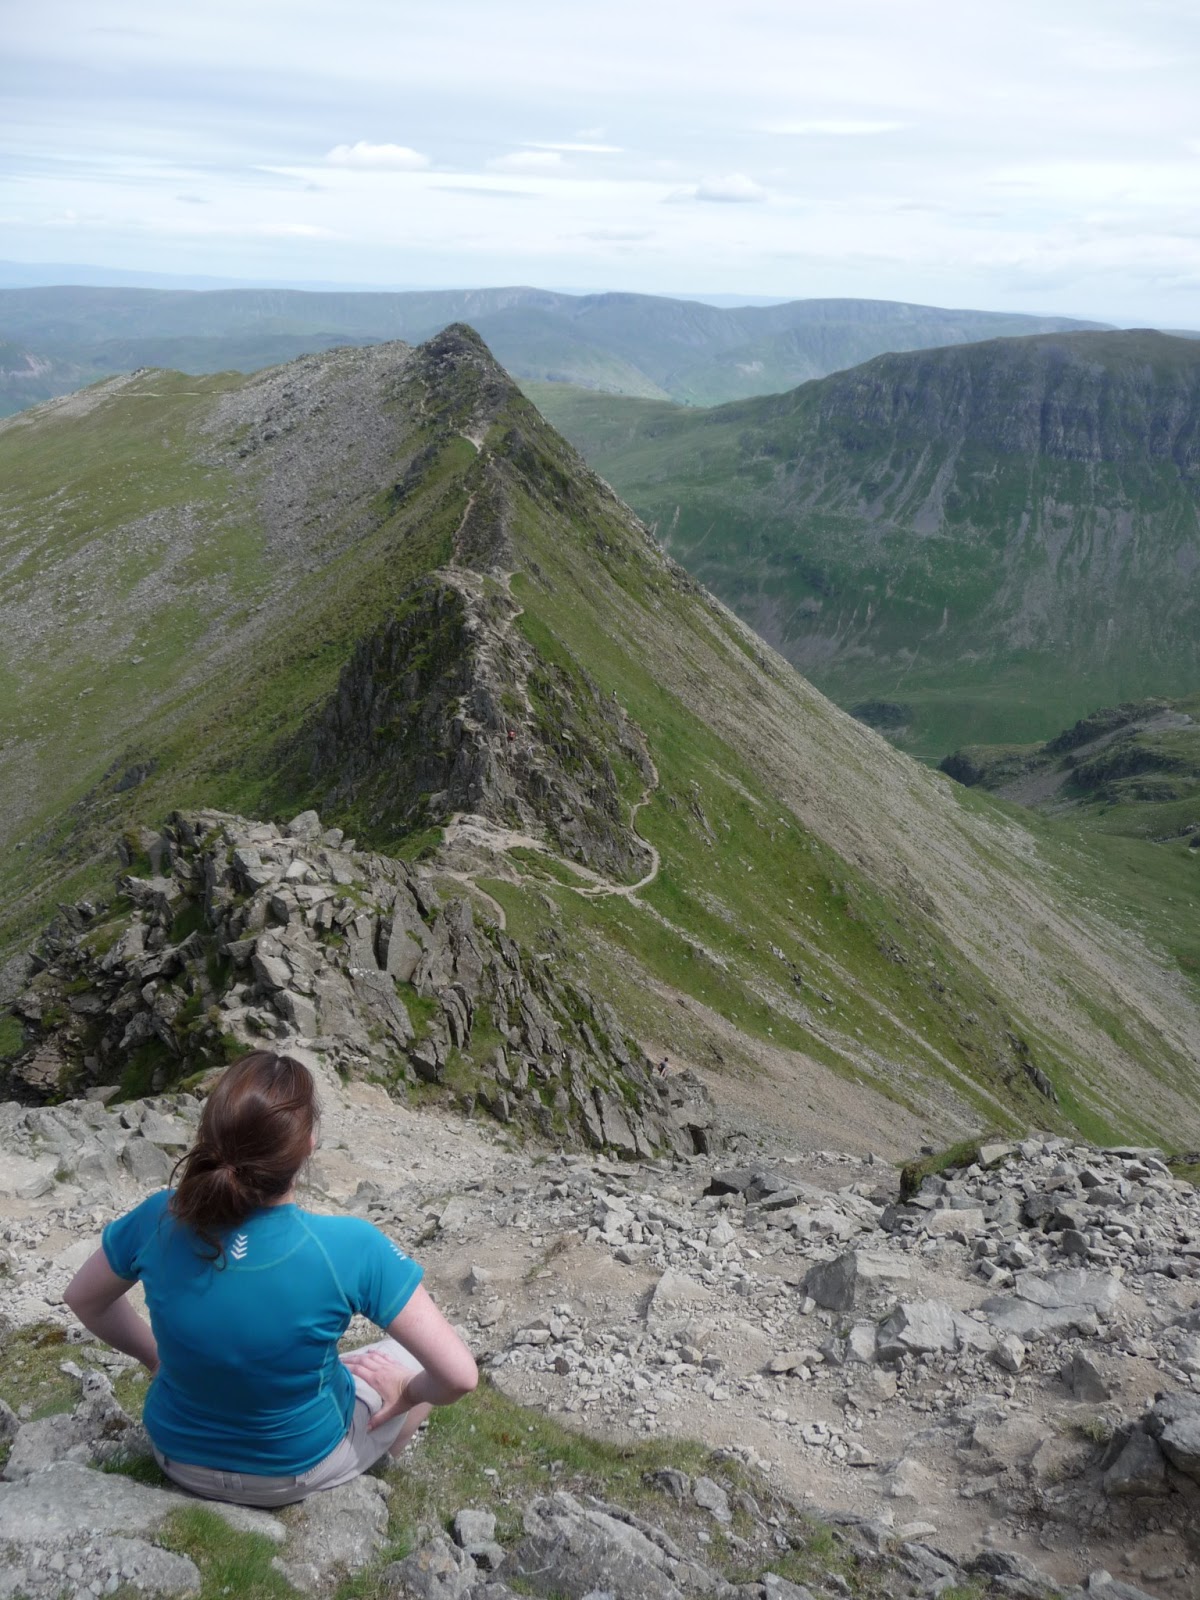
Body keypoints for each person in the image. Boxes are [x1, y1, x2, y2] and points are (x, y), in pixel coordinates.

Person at [63, 1051, 477, 1508]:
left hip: (177, 1458)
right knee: (405, 1356)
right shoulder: (351, 1245)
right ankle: (370, 1467)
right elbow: (458, 1376)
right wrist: (407, 1390)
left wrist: (153, 1356)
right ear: (309, 1143)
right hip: (294, 1471)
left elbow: (84, 1298)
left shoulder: (160, 1215)